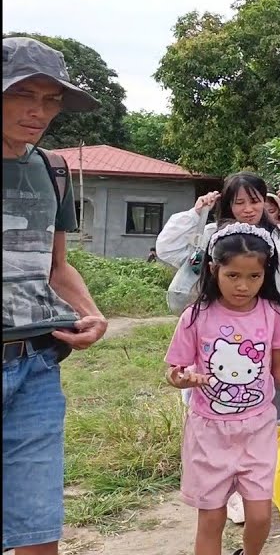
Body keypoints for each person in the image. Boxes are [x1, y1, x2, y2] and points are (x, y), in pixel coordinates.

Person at [3, 36, 110, 555]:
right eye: (25, 94)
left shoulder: (50, 170)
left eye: (51, 100)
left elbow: (56, 266)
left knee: (38, 531)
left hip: (37, 367)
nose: (39, 112)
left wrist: (91, 313)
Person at [165, 221, 280, 555]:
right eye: (233, 276)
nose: (243, 286)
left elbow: (278, 366)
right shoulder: (195, 317)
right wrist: (181, 378)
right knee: (211, 519)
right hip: (209, 433)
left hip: (257, 430)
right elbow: (174, 372)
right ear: (213, 269)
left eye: (254, 277)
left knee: (260, 514)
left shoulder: (273, 313)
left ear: (266, 275)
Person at [156, 173, 280, 310]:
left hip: (263, 322)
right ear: (229, 204)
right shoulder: (213, 234)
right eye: (240, 203)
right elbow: (167, 248)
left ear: (264, 201)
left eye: (255, 201)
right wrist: (196, 213)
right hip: (216, 319)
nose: (248, 209)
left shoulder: (275, 236)